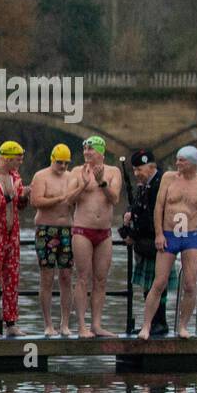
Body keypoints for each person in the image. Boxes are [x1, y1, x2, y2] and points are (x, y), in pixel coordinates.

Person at [139, 146, 197, 340]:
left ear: (193, 163)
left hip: (190, 237)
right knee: (159, 282)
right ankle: (146, 326)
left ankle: (182, 326)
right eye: (177, 159)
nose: (177, 164)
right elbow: (158, 207)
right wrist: (159, 234)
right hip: (169, 235)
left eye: (182, 160)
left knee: (190, 284)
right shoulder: (168, 178)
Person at [70, 136, 121, 338]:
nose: (87, 153)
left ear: (101, 151)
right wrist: (82, 185)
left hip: (104, 232)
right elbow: (68, 200)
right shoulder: (76, 171)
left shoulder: (113, 171)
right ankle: (82, 325)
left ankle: (96, 324)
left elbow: (115, 198)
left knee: (101, 280)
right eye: (85, 149)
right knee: (83, 278)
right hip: (83, 229)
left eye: (91, 149)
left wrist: (101, 182)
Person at [124, 149, 173, 336]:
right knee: (149, 285)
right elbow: (138, 207)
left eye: (139, 169)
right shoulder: (145, 184)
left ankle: (160, 323)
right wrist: (128, 214)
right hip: (145, 242)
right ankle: (152, 323)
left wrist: (134, 234)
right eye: (134, 170)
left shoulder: (161, 183)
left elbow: (154, 215)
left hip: (157, 241)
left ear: (151, 166)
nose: (136, 174)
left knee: (157, 284)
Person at [29, 144, 76, 336]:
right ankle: (48, 324)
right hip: (46, 229)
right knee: (46, 278)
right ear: (52, 159)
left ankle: (65, 323)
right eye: (59, 162)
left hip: (67, 229)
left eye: (66, 163)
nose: (63, 166)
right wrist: (58, 199)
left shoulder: (71, 177)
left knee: (66, 277)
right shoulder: (41, 176)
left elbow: (75, 200)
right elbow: (36, 201)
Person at [0, 141, 30, 336]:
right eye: (18, 159)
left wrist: (24, 197)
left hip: (13, 232)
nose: (20, 163)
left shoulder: (15, 175)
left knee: (12, 277)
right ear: (6, 157)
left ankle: (11, 323)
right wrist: (10, 197)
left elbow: (19, 205)